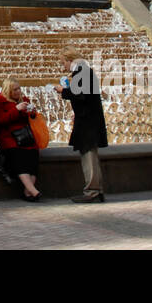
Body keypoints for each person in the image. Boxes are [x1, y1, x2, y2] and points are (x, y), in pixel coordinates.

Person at [55, 59, 108, 203]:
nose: (63, 66)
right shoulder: (85, 72)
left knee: (89, 157)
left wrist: (63, 91)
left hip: (88, 125)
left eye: (63, 62)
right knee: (91, 156)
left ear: (69, 59)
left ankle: (92, 192)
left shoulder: (82, 72)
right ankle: (97, 191)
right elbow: (85, 97)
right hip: (89, 121)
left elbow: (79, 95)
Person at [0, 78, 42, 201]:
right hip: (8, 137)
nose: (18, 91)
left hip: (25, 136)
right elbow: (0, 121)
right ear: (8, 91)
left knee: (33, 155)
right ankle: (33, 191)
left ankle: (28, 192)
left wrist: (32, 113)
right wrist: (16, 109)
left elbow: (31, 119)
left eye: (19, 88)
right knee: (19, 156)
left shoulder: (24, 100)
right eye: (15, 89)